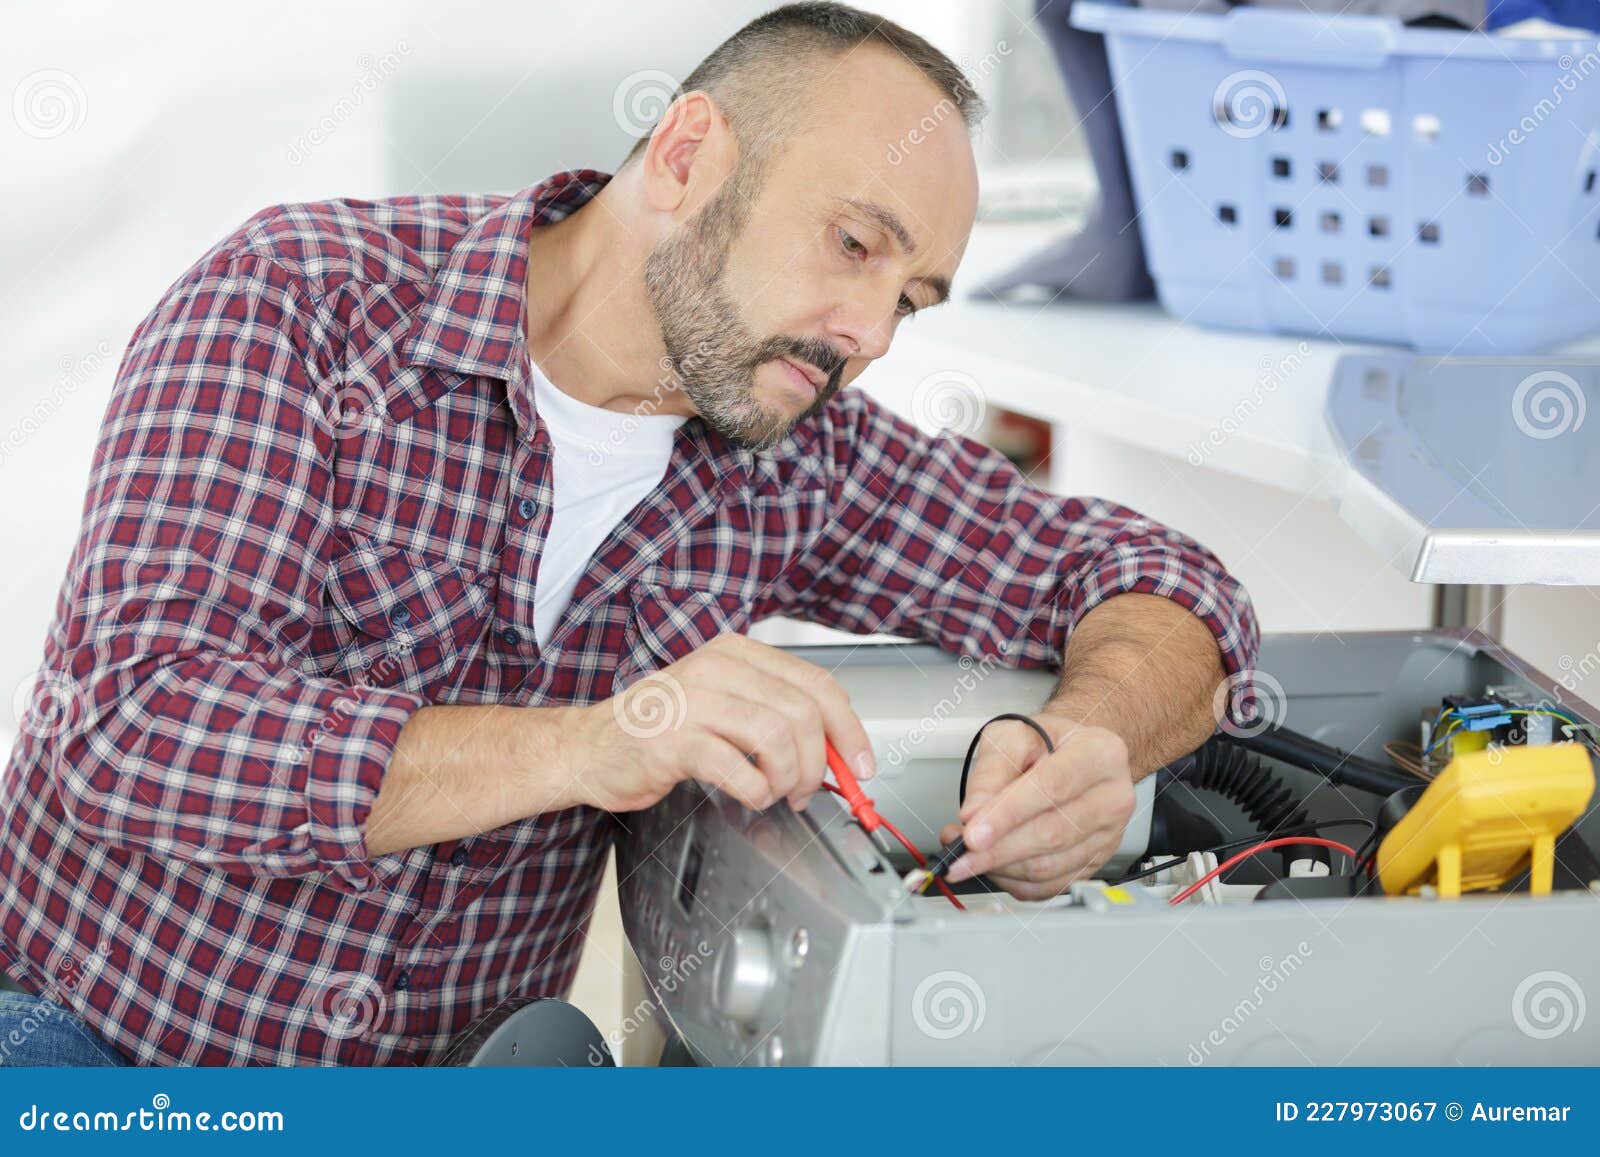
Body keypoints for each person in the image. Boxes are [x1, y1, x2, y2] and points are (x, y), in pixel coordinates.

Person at [0, 1, 1256, 1066]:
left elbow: (1168, 585)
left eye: (908, 298)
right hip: (91, 1041)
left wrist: (1093, 738)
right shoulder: (299, 303)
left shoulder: (798, 450)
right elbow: (131, 728)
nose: (869, 331)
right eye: (854, 243)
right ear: (687, 154)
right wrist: (597, 742)